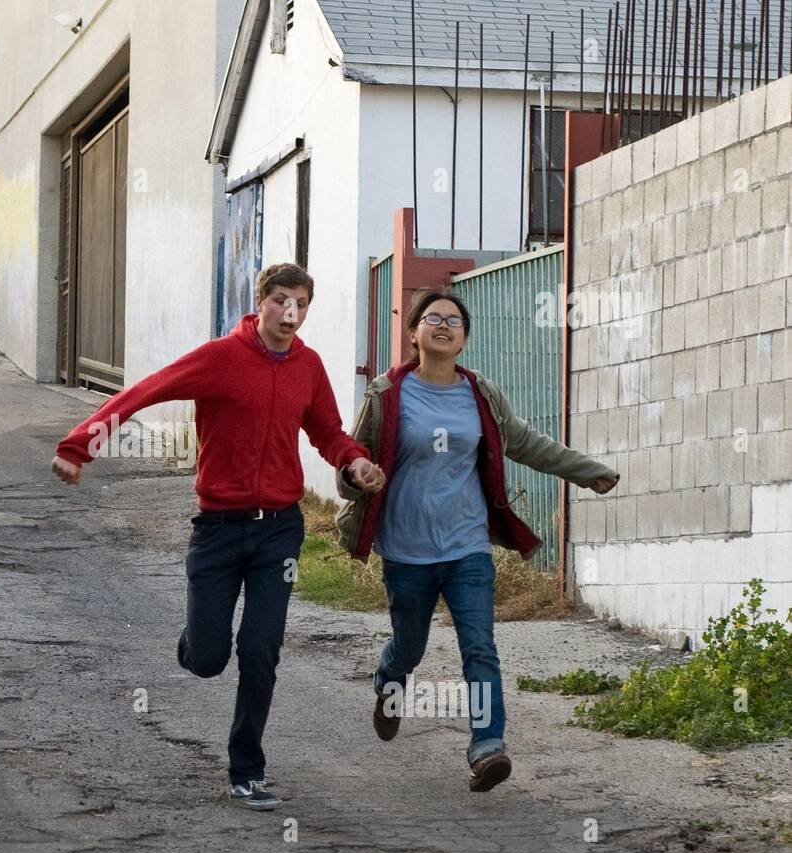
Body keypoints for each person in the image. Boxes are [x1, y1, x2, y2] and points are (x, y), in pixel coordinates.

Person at [53, 263, 369, 811]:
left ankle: (247, 768)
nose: (289, 312)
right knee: (208, 658)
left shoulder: (308, 366)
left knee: (261, 646)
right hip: (218, 530)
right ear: (261, 302)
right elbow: (144, 393)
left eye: (300, 302)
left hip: (280, 531)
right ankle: (195, 642)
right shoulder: (220, 358)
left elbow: (327, 432)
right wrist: (79, 446)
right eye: (280, 301)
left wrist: (355, 461)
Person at [335, 288, 620, 792]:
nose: (443, 326)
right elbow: (353, 460)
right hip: (407, 550)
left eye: (454, 321)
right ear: (414, 332)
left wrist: (587, 471)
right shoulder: (387, 395)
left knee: (480, 648)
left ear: (464, 339)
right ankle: (389, 683)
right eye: (432, 318)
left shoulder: (481, 395)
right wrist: (357, 478)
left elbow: (527, 443)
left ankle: (487, 746)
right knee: (409, 647)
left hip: (467, 547)